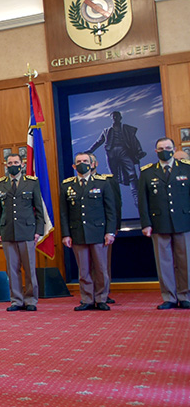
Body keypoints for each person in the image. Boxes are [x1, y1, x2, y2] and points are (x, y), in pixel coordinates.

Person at [137, 137, 190, 309]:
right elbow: (142, 201)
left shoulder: (186, 169)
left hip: (184, 221)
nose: (164, 151)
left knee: (185, 261)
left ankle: (185, 295)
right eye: (160, 148)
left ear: (174, 149)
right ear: (155, 151)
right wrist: (146, 223)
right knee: (164, 262)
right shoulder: (147, 172)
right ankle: (169, 297)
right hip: (159, 222)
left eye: (167, 147)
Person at [61, 152, 118, 311]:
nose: (82, 164)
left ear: (92, 164)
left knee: (101, 269)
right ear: (74, 166)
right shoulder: (67, 185)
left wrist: (110, 232)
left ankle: (101, 298)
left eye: (85, 161)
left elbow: (110, 210)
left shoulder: (102, 183)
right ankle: (87, 299)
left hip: (99, 232)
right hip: (78, 233)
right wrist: (66, 234)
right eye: (78, 161)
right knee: (83, 270)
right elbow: (64, 213)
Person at [0, 153, 45, 312]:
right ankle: (16, 300)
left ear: (22, 164)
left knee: (29, 268)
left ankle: (30, 300)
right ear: (6, 165)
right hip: (8, 231)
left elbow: (39, 209)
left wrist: (38, 231)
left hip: (27, 230)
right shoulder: (0, 184)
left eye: (16, 162)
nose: (13, 165)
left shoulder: (31, 183)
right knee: (12, 268)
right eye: (10, 162)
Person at [87, 110, 146, 210]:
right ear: (111, 118)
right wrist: (89, 151)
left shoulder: (126, 129)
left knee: (132, 175)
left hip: (124, 151)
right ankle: (115, 202)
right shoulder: (106, 131)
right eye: (113, 117)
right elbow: (98, 142)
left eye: (117, 116)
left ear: (120, 118)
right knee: (113, 178)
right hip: (111, 154)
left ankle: (137, 200)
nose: (115, 118)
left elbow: (134, 140)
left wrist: (139, 151)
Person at [88, 153, 121, 304]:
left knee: (103, 264)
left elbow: (115, 205)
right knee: (86, 265)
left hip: (103, 228)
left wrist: (114, 227)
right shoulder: (73, 183)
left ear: (95, 164)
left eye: (89, 162)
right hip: (84, 229)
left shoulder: (107, 180)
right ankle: (89, 294)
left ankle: (104, 293)